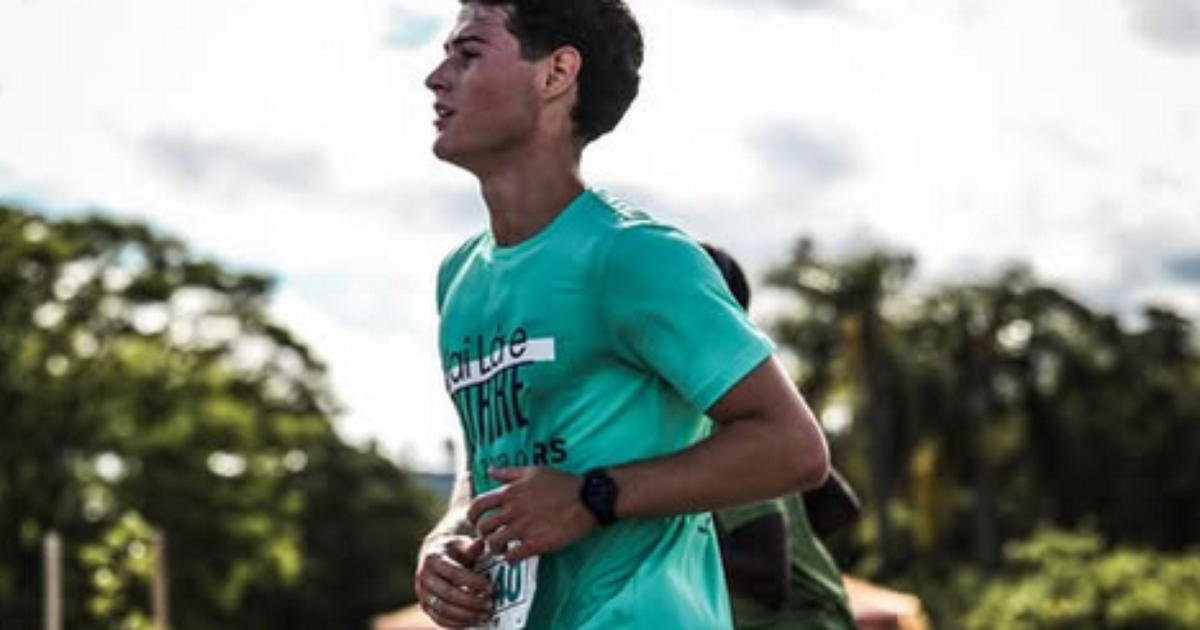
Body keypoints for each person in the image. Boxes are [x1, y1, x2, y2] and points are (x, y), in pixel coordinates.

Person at [413, 1, 831, 629]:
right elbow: (488, 460)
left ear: (556, 74)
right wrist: (445, 536)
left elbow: (793, 447)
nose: (436, 77)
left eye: (468, 54)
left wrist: (593, 496)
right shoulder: (459, 278)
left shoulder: (636, 256)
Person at [703, 244, 859, 630]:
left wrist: (680, 545)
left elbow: (765, 575)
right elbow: (838, 504)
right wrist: (798, 550)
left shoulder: (724, 421)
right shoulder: (749, 412)